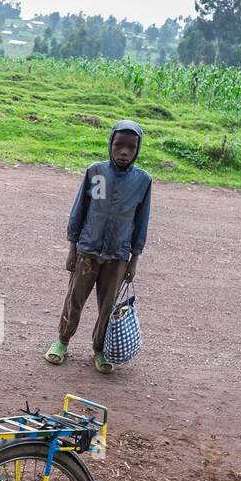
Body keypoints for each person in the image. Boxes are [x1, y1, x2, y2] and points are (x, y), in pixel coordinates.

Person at [45, 119, 151, 373]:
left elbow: (141, 222)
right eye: (118, 146)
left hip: (118, 255)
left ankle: (99, 349)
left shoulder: (143, 181)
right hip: (88, 252)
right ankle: (62, 341)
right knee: (75, 299)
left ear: (138, 150)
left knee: (108, 305)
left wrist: (133, 260)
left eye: (131, 147)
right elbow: (80, 211)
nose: (124, 152)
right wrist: (73, 249)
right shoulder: (96, 173)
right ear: (110, 145)